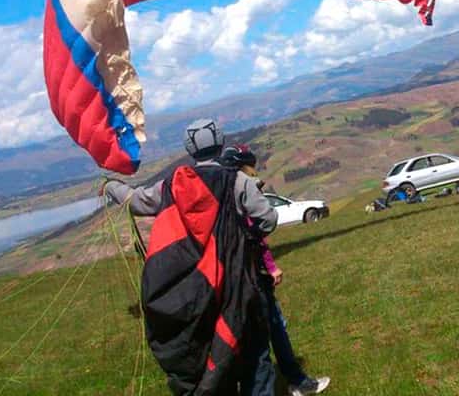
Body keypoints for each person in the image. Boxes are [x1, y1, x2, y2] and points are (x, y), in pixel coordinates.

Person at [103, 119, 279, 396]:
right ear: (221, 144)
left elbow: (137, 202)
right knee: (255, 355)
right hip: (238, 283)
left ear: (190, 150)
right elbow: (268, 219)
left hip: (198, 286)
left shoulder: (173, 185)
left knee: (215, 350)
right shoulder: (237, 180)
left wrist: (112, 186)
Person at [220, 145, 331, 396]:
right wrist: (271, 267)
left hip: (228, 279)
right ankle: (297, 381)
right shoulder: (244, 197)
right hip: (254, 276)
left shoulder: (220, 200)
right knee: (274, 328)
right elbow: (258, 235)